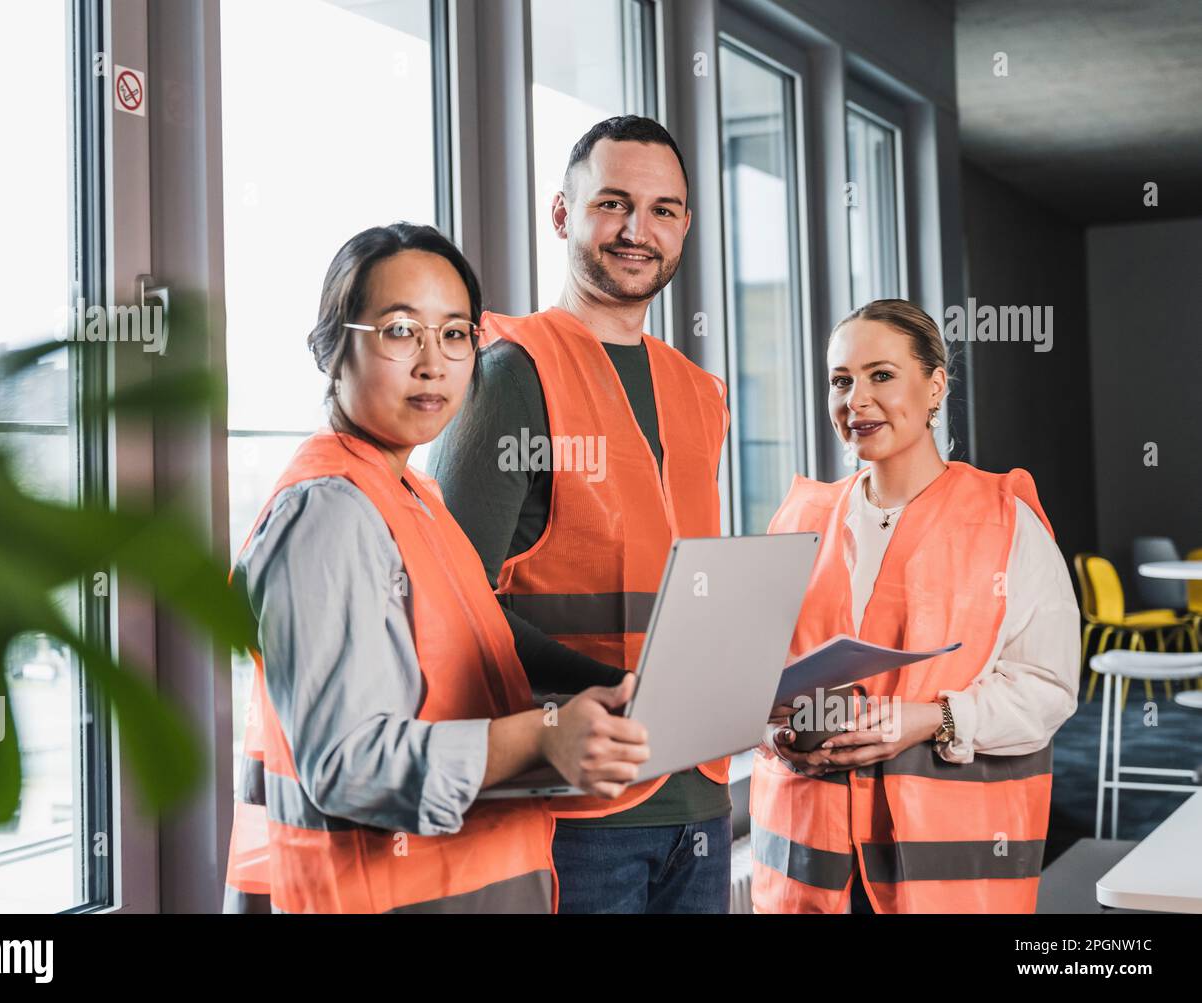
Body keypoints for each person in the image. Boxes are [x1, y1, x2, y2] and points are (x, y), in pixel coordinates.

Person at [221, 223, 650, 914]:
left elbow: (477, 672)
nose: (433, 362)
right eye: (399, 331)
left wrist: (609, 696)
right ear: (333, 350)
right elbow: (348, 763)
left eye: (455, 334)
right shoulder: (330, 513)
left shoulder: (415, 499)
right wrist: (543, 733)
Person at [429, 116, 733, 914]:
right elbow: (451, 603)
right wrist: (618, 689)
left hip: (700, 794)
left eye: (664, 210)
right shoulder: (510, 375)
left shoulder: (701, 395)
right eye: (613, 204)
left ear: (685, 228)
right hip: (574, 809)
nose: (639, 230)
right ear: (563, 216)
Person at [750, 298, 1080, 914]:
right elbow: (751, 682)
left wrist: (931, 719)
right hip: (810, 868)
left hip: (945, 874)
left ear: (934, 387)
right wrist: (776, 734)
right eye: (841, 381)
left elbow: (1047, 688)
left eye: (881, 375)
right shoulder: (797, 521)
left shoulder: (1006, 521)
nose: (857, 400)